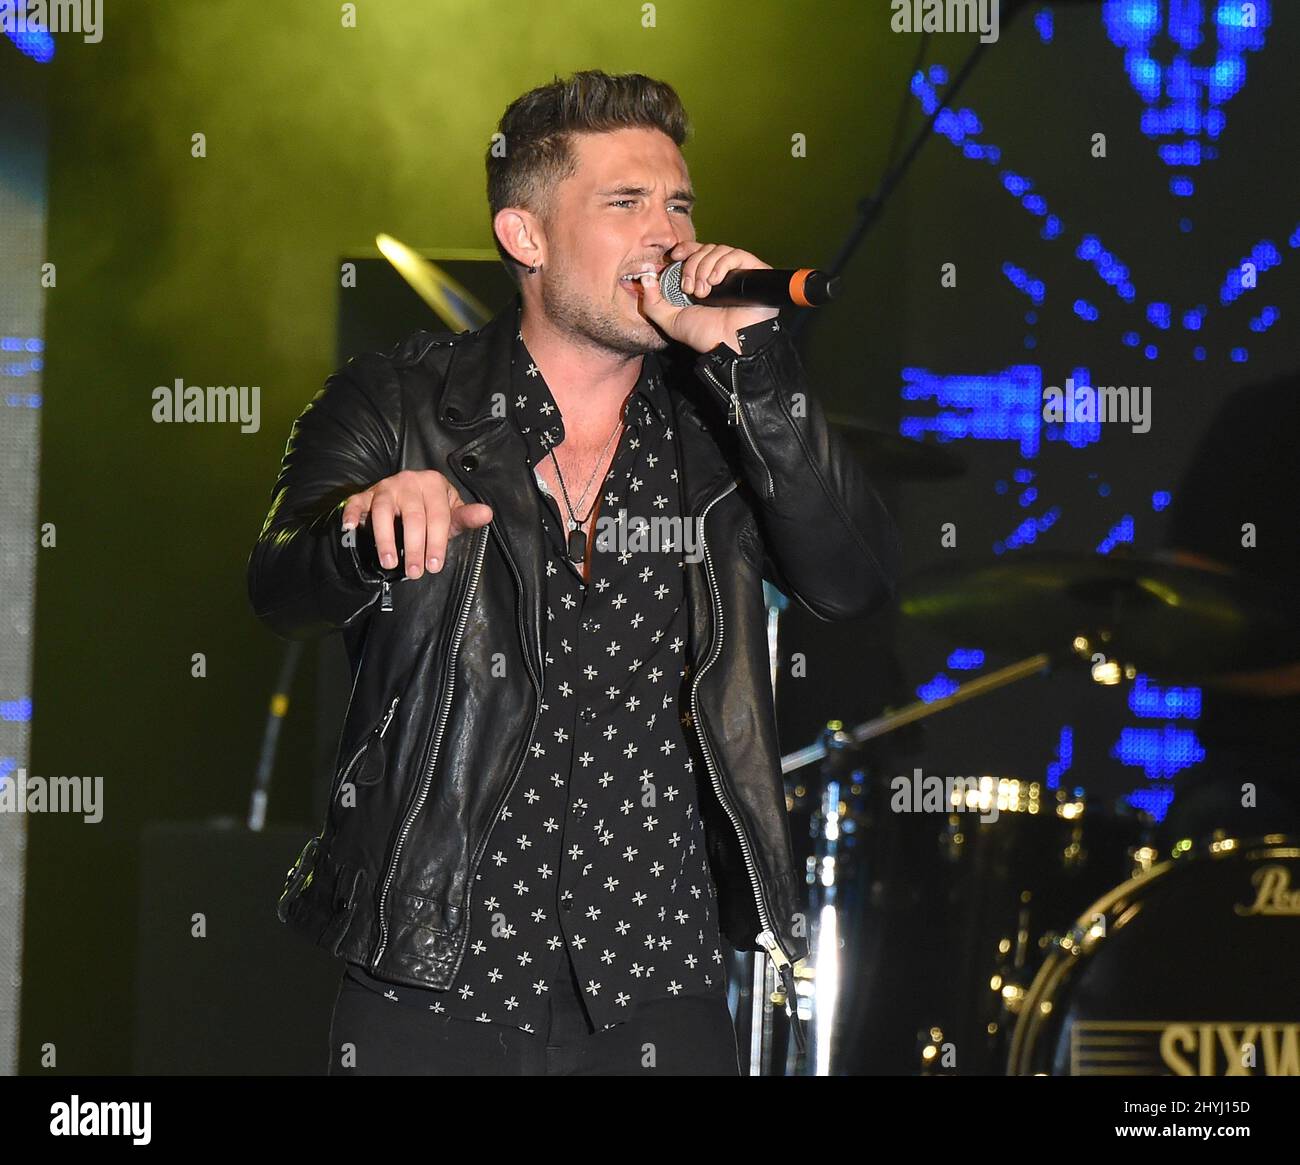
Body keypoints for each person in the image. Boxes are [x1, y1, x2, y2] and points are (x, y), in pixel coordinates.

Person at [247, 69, 899, 1075]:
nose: (666, 236)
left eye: (678, 204)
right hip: (435, 974)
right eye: (625, 204)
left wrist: (755, 372)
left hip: (659, 985)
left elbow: (851, 582)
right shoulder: (399, 401)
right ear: (527, 237)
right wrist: (357, 529)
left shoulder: (716, 423)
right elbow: (277, 584)